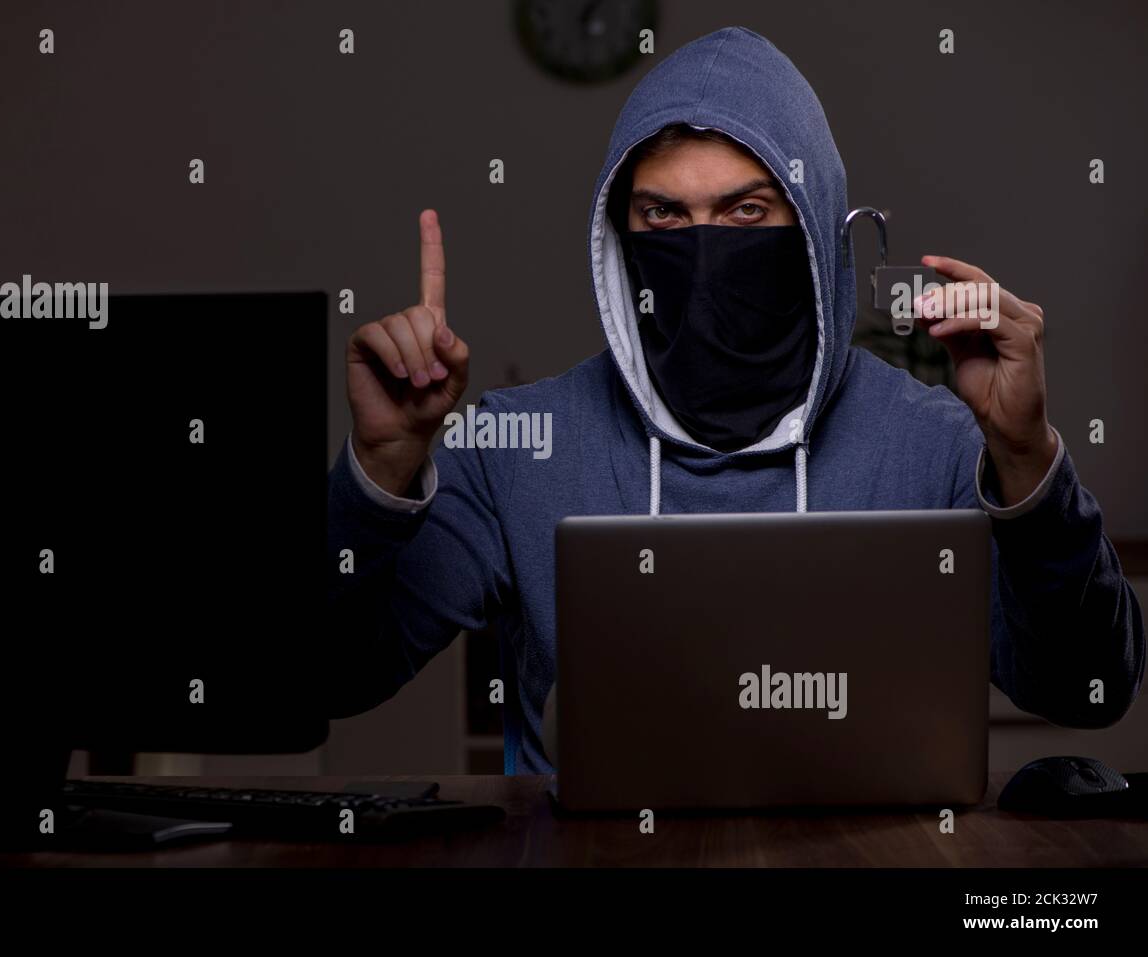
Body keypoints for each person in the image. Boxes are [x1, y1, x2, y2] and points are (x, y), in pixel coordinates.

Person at [327, 27, 1144, 774]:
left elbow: (1089, 689)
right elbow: (330, 675)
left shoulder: (932, 443)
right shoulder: (514, 447)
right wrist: (381, 472)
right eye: (664, 216)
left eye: (747, 211)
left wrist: (1029, 461)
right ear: (620, 239)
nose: (706, 250)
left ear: (819, 231)